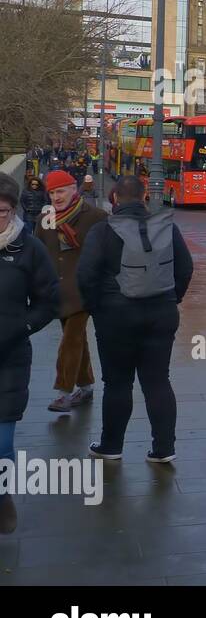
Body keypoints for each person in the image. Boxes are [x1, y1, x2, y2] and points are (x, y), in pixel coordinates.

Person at [77, 175, 193, 463]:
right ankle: (164, 449)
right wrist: (172, 298)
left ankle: (111, 446)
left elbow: (85, 275)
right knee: (157, 381)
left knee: (117, 383)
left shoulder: (103, 230)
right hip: (162, 314)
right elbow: (186, 268)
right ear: (144, 198)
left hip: (115, 317)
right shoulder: (167, 228)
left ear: (114, 199)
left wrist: (97, 308)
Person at [0, 174, 61, 532]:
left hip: (9, 357)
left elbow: (48, 299)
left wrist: (22, 327)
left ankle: (3, 499)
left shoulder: (28, 248)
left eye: (2, 211)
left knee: (3, 443)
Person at [35, 170, 109, 414]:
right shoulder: (45, 218)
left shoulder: (97, 217)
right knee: (76, 339)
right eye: (53, 193)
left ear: (74, 189)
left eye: (61, 191)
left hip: (85, 290)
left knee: (71, 339)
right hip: (58, 291)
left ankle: (63, 392)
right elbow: (38, 253)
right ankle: (86, 386)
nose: (56, 197)